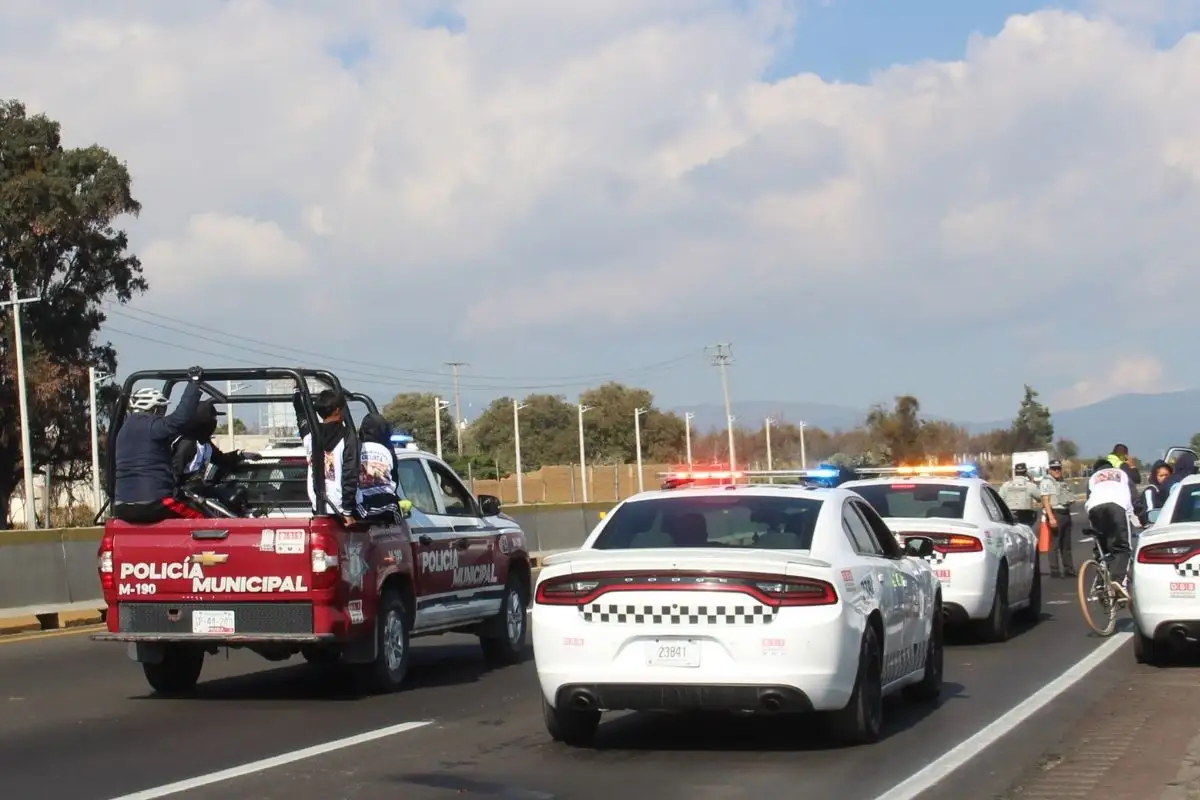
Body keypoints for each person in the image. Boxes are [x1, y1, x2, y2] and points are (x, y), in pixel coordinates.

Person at [112, 366, 205, 523]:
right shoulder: (152, 425)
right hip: (154, 502)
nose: (163, 413)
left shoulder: (123, 430)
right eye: (162, 409)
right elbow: (179, 419)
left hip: (122, 505)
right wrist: (193, 384)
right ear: (154, 408)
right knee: (204, 521)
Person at [294, 387, 359, 524]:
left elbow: (300, 415)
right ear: (337, 410)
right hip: (340, 508)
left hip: (318, 504)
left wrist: (297, 391)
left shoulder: (309, 435)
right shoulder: (348, 436)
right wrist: (347, 511)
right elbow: (350, 474)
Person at [171, 400, 256, 490]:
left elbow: (221, 459)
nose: (216, 421)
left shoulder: (206, 444)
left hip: (197, 490)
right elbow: (173, 474)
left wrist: (241, 455)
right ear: (204, 420)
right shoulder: (187, 444)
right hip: (184, 494)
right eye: (214, 418)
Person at [1085, 457, 1138, 597]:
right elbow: (1134, 498)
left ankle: (1100, 582)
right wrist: (1141, 517)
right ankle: (1119, 581)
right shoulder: (1121, 474)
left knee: (1101, 546)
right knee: (1122, 547)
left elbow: (1089, 497)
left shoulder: (1093, 478)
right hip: (1117, 506)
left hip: (1094, 508)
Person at [354, 412, 403, 523]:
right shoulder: (388, 451)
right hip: (386, 510)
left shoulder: (354, 448)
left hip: (358, 508)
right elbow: (394, 479)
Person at [1038, 459, 1075, 578]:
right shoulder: (1046, 482)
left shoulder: (1061, 481)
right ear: (1049, 470)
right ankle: (1054, 570)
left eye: (1059, 468)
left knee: (1066, 544)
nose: (1057, 471)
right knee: (1055, 543)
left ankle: (1068, 568)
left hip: (1065, 512)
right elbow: (1046, 501)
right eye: (1054, 469)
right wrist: (1051, 517)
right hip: (1055, 513)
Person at [999, 462, 1042, 526]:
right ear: (1026, 473)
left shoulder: (1005, 485)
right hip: (1026, 519)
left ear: (1015, 472)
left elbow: (999, 499)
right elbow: (1041, 497)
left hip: (1010, 518)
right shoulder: (1030, 486)